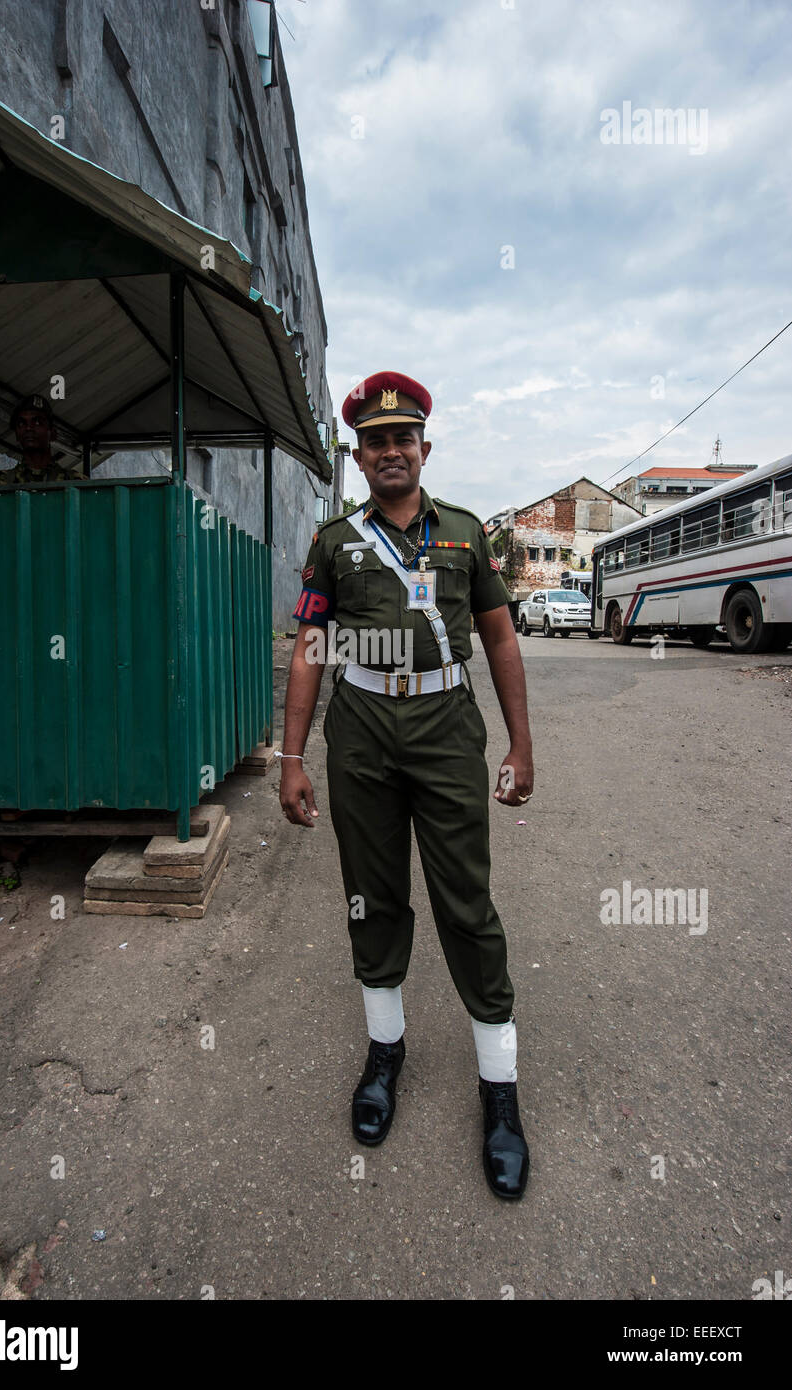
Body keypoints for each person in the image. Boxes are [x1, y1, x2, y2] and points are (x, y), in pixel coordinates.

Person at [280, 371, 535, 1200]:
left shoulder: (463, 535)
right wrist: (290, 759)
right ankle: (384, 1052)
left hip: (444, 729)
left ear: (424, 448)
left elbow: (498, 641)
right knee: (373, 893)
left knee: (466, 900)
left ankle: (499, 1088)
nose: (390, 451)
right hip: (359, 732)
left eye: (403, 438)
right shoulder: (334, 542)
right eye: (374, 441)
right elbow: (310, 648)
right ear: (357, 456)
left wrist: (520, 746)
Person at [0, 395, 84, 484]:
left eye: (37, 422)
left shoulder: (75, 482)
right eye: (21, 423)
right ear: (16, 435)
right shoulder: (1, 481)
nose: (28, 428)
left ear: (53, 434)